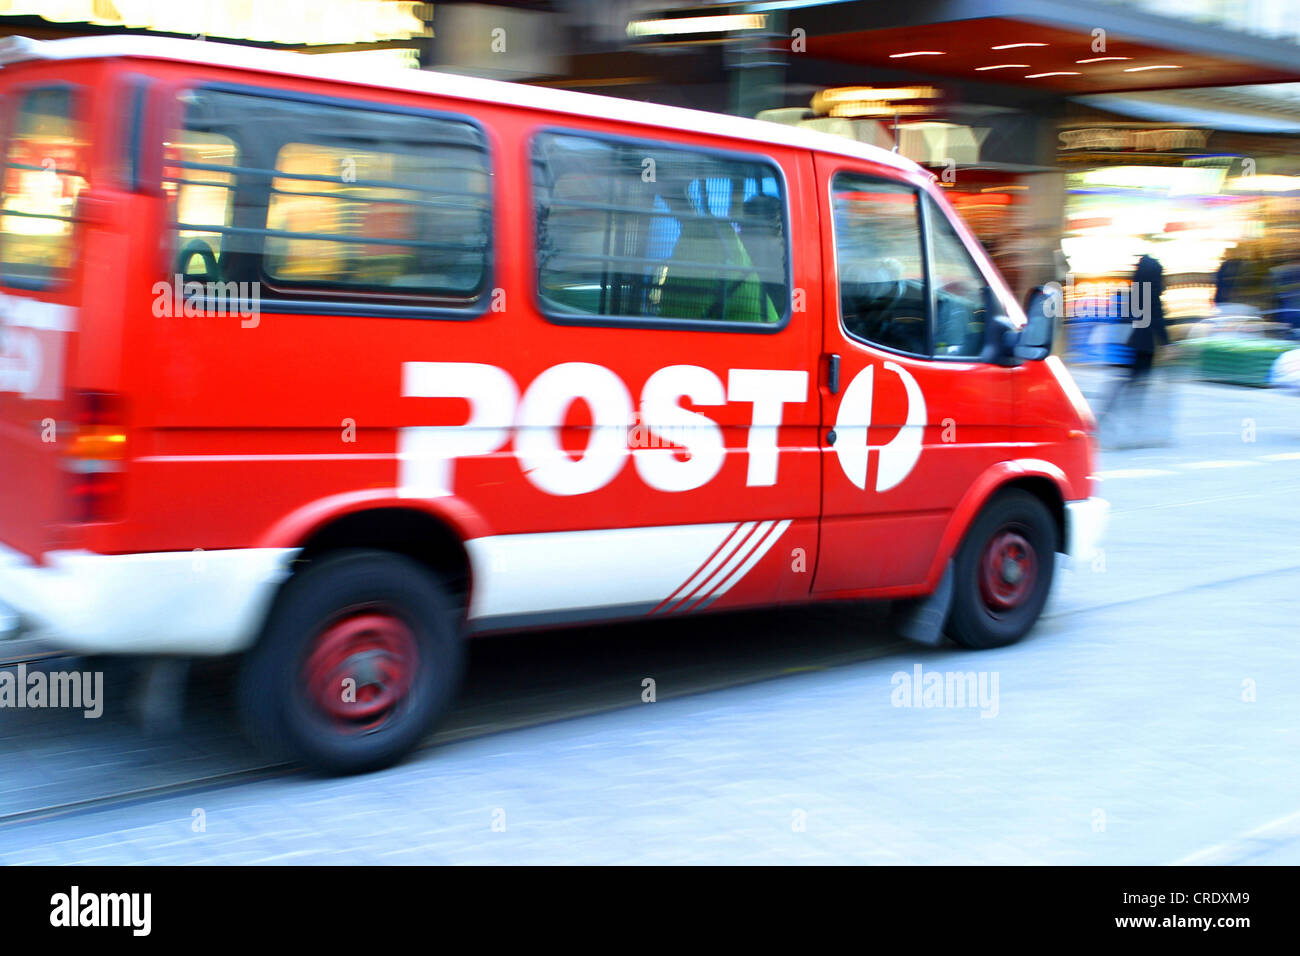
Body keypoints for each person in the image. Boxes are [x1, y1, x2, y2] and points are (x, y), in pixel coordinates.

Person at [1104, 249, 1169, 422]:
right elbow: (1157, 316)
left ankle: (1111, 414)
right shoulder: (1151, 293)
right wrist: (1166, 343)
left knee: (1129, 380)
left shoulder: (1135, 290)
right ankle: (1131, 418)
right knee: (1137, 383)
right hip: (1145, 344)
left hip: (1131, 341)